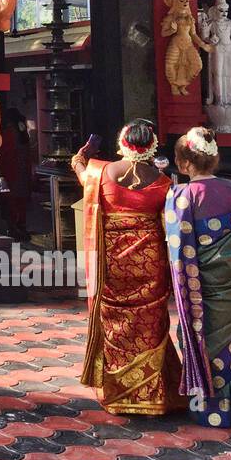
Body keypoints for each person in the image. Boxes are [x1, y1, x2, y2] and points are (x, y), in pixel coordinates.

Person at [71, 118, 185, 415]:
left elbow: (83, 177)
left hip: (112, 263)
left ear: (122, 143)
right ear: (152, 146)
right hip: (150, 264)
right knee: (151, 323)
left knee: (115, 325)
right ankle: (150, 396)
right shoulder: (163, 184)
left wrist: (79, 159)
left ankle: (118, 395)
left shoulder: (102, 172)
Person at [164, 127, 231, 426]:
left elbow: (178, 250)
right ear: (215, 159)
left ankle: (212, 411)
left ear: (183, 164)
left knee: (201, 341)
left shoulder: (181, 196)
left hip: (202, 288)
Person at [0, 107, 33, 237]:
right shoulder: (22, 132)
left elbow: (5, 154)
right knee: (21, 201)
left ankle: (13, 229)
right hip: (23, 170)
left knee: (11, 201)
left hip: (11, 171)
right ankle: (21, 227)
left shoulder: (9, 133)